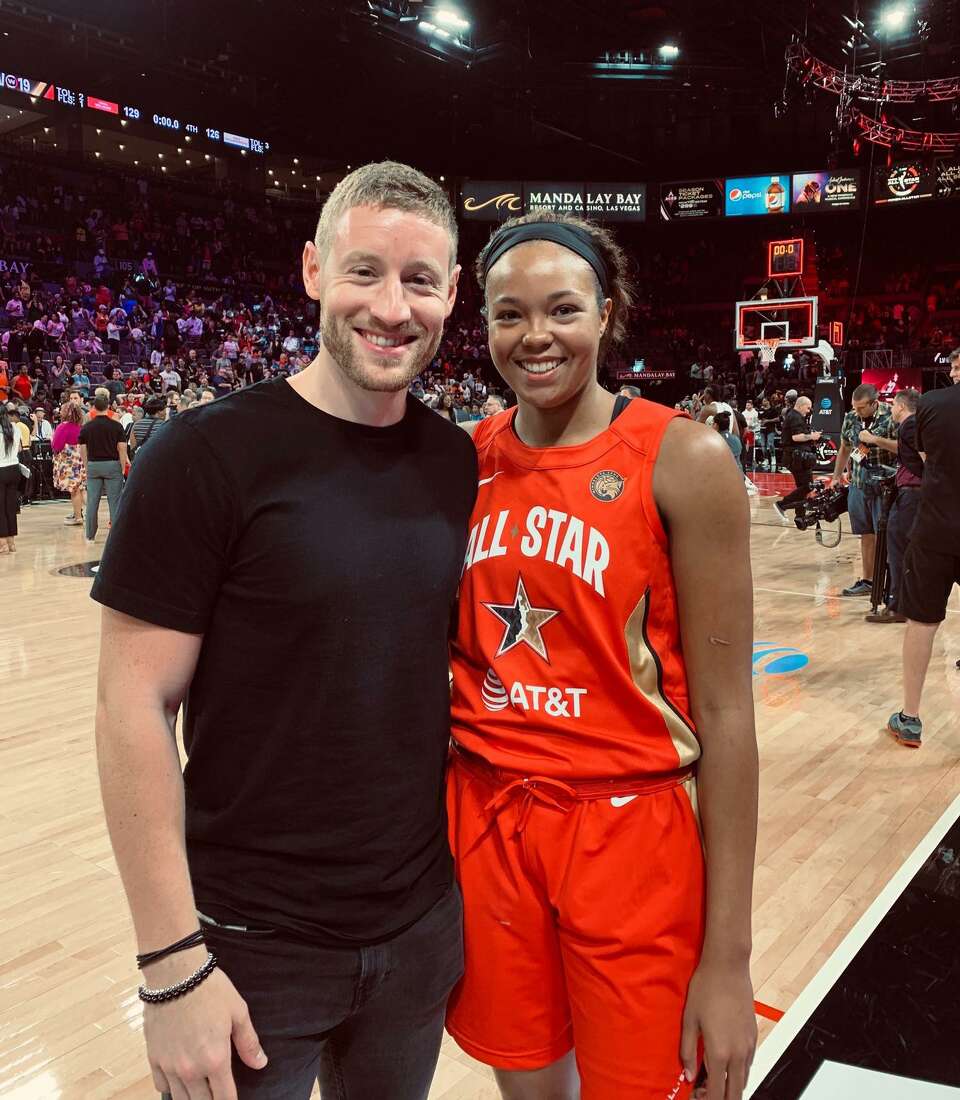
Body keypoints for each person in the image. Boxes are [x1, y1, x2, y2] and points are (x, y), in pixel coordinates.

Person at [92, 161, 476, 1100]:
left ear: (452, 295)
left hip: (420, 928)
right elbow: (131, 704)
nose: (391, 307)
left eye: (420, 280)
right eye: (364, 271)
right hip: (249, 946)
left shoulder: (455, 460)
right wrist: (170, 962)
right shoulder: (204, 453)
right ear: (312, 270)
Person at [448, 212, 758, 1100]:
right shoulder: (463, 459)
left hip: (631, 834)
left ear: (608, 312)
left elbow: (728, 715)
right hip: (490, 819)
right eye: (509, 314)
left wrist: (728, 961)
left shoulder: (684, 456)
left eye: (562, 309)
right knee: (531, 1088)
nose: (535, 336)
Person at [887, 349, 960, 747]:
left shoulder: (931, 404)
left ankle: (910, 717)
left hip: (935, 528)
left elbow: (928, 460)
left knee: (922, 622)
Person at [831, 383, 897, 597]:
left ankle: (887, 584)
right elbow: (845, 448)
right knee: (866, 534)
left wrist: (874, 439)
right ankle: (868, 581)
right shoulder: (851, 418)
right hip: (859, 485)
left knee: (884, 536)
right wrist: (836, 476)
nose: (856, 411)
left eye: (861, 408)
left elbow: (904, 446)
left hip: (885, 486)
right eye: (854, 407)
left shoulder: (892, 414)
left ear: (874, 403)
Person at [863, 388, 922, 624]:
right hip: (913, 494)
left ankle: (899, 606)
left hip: (912, 495)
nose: (893, 410)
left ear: (901, 406)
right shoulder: (917, 425)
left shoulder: (909, 425)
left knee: (898, 547)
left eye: (895, 405)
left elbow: (924, 458)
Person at [78, 392, 129, 544]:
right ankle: (115, 536)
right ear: (108, 407)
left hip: (93, 465)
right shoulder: (116, 426)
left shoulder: (87, 427)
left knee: (92, 502)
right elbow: (122, 449)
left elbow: (83, 450)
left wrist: (87, 466)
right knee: (114, 502)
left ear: (93, 407)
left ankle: (90, 537)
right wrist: (121, 467)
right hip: (112, 465)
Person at [773, 396, 821, 520]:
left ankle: (800, 516)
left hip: (797, 457)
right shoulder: (795, 416)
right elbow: (796, 437)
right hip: (796, 457)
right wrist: (812, 436)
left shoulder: (794, 416)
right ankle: (782, 504)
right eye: (808, 407)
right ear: (800, 405)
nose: (809, 410)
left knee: (803, 486)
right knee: (807, 486)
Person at [52, 401, 85, 525]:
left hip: (69, 462)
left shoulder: (63, 427)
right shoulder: (80, 427)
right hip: (80, 461)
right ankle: (81, 513)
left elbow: (56, 445)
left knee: (74, 490)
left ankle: (78, 517)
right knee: (80, 489)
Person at [0, 403, 21, 552]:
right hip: (14, 469)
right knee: (10, 507)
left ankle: (2, 543)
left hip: (0, 469)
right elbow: (19, 448)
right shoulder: (15, 428)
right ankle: (12, 542)